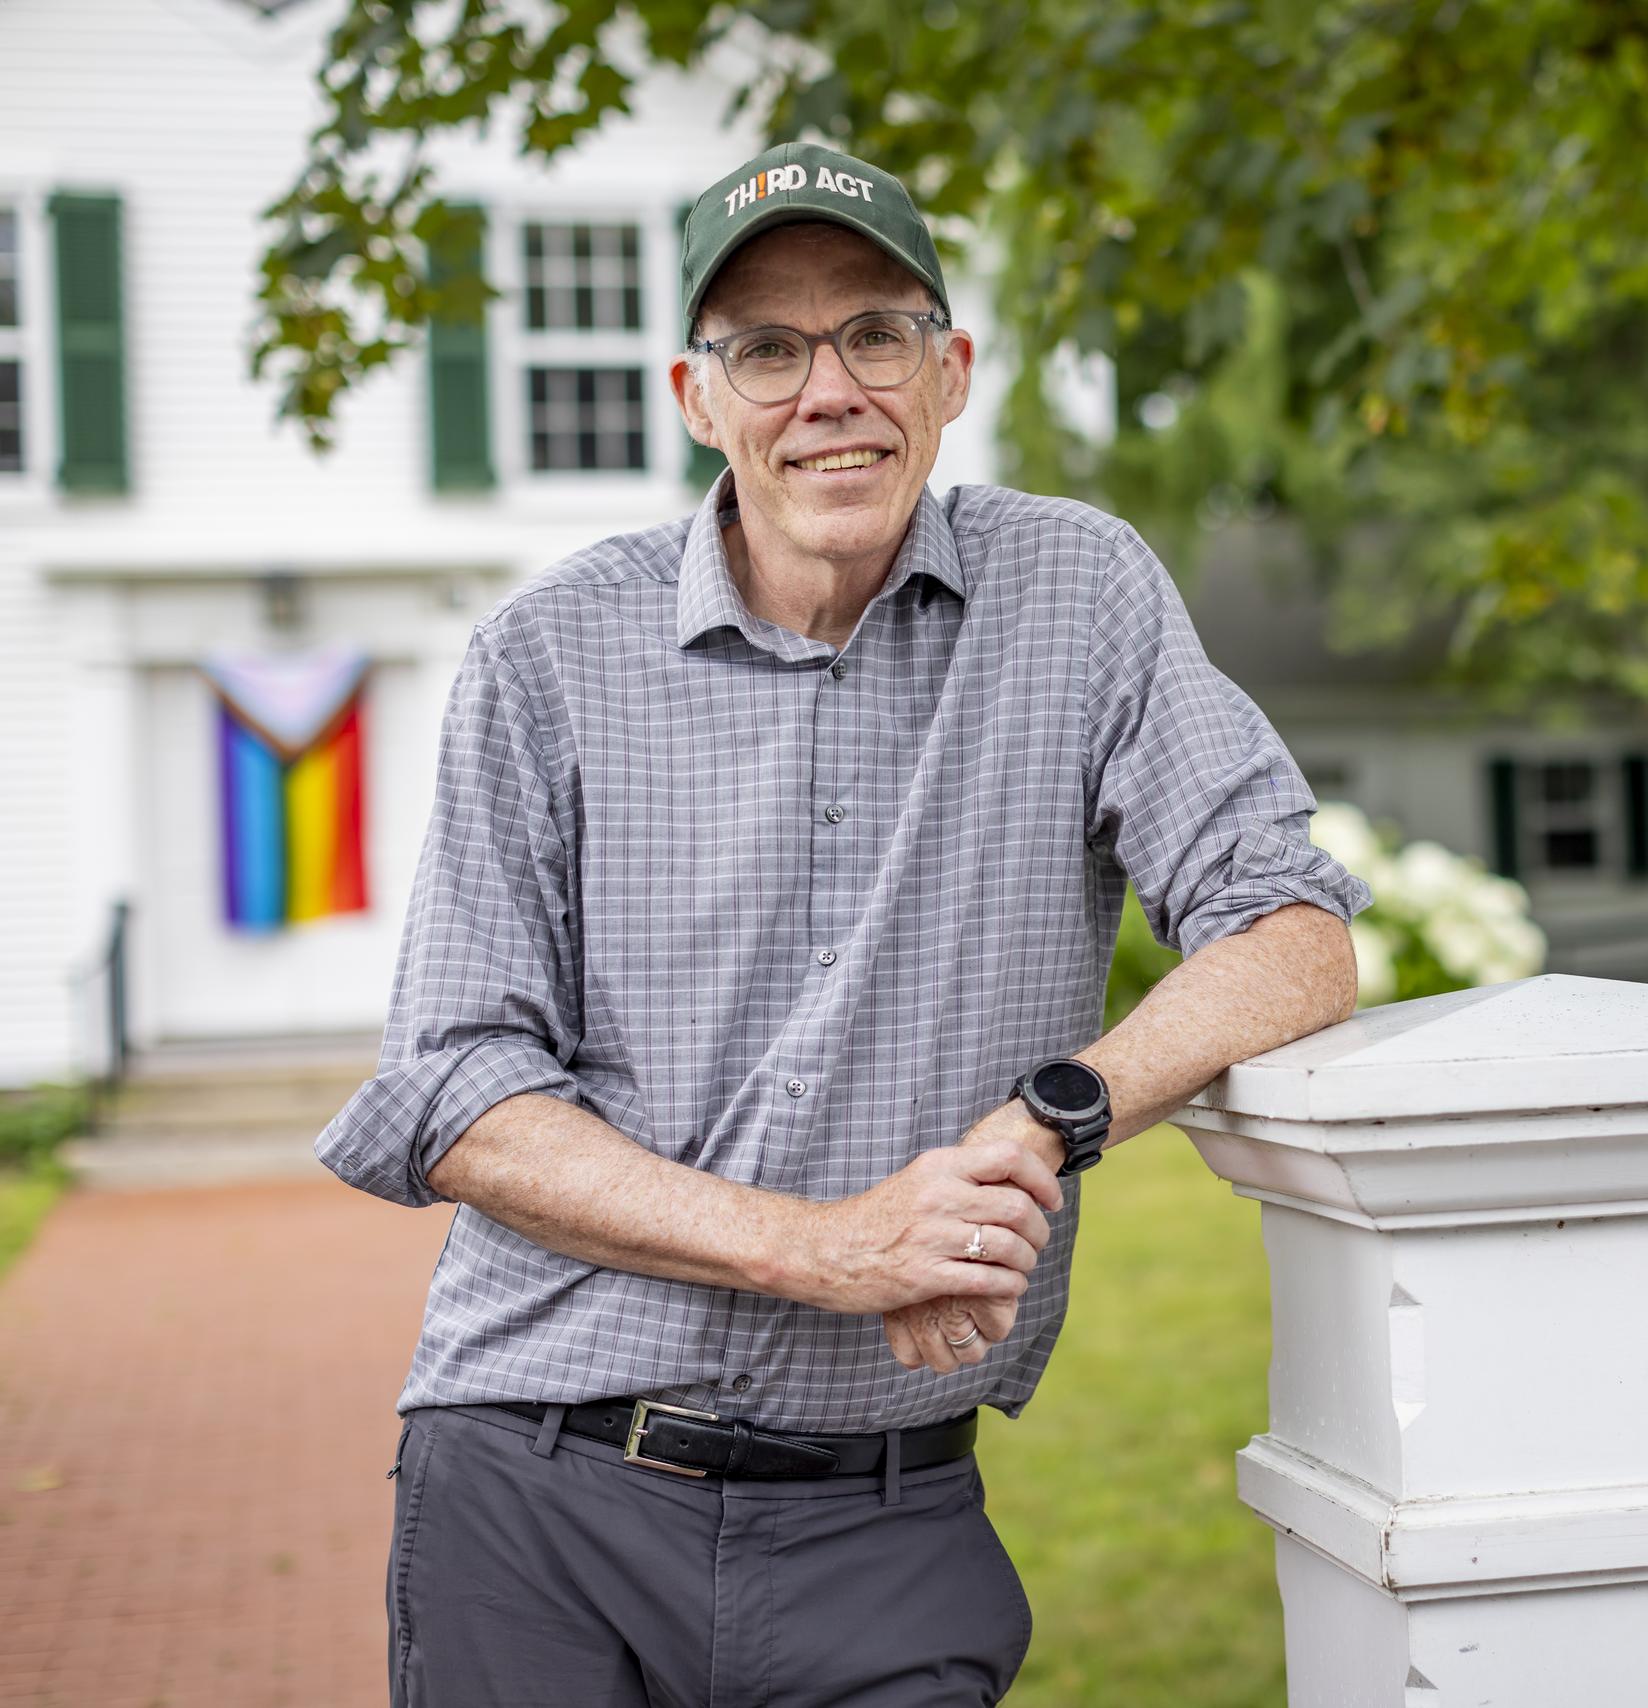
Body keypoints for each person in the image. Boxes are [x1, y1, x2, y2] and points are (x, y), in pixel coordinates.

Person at [316, 139, 1371, 1707]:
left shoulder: (1081, 596)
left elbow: (1292, 928)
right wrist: (829, 1252)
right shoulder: (548, 657)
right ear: (698, 399)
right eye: (768, 350)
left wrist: (1047, 1122)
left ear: (948, 371)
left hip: (888, 1515)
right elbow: (461, 1097)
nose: (831, 392)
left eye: (875, 334)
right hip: (541, 1492)